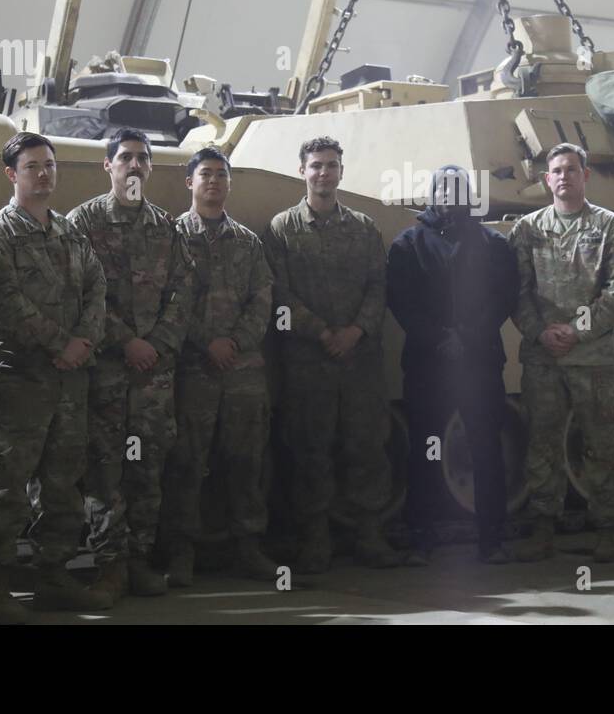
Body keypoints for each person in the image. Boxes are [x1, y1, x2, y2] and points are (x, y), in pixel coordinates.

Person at [0, 132, 110, 623]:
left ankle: (53, 577)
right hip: (16, 379)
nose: (44, 174)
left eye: (49, 165)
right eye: (32, 166)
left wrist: (84, 343)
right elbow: (4, 303)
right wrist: (60, 345)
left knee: (62, 486)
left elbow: (97, 288)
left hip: (69, 383)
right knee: (1, 488)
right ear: (12, 174)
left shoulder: (70, 231)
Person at [262, 137, 400, 572]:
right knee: (310, 451)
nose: (324, 173)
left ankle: (369, 534)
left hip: (359, 361)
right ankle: (314, 537)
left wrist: (355, 331)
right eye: (316, 166)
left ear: (342, 171)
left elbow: (379, 286)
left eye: (332, 165)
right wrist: (322, 331)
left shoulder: (363, 227)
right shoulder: (281, 229)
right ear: (302, 171)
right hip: (309, 362)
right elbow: (278, 294)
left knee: (367, 448)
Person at [68, 128, 192, 600]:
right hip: (107, 373)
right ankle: (109, 566)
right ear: (108, 165)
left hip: (154, 378)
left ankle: (140, 560)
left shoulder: (166, 227)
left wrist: (155, 343)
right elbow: (81, 295)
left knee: (147, 471)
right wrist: (127, 343)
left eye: (142, 158)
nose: (134, 164)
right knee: (105, 471)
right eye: (125, 157)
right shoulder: (82, 224)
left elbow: (183, 294)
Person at [508, 143, 614, 562]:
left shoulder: (610, 226)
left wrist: (575, 330)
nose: (563, 176)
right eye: (556, 171)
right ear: (547, 180)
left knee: (602, 445)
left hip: (594, 357)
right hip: (543, 356)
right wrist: (540, 331)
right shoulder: (526, 229)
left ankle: (609, 528)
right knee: (541, 443)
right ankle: (544, 526)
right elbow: (517, 292)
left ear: (585, 175)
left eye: (571, 169)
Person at [159, 147, 279, 585]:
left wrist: (235, 342)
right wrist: (206, 341)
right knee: (187, 464)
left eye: (221, 175)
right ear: (189, 182)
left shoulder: (247, 242)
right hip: (192, 370)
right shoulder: (170, 237)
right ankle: (181, 552)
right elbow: (165, 301)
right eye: (205, 174)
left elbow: (262, 299)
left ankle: (249, 547)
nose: (214, 181)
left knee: (246, 462)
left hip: (243, 372)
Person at [386, 165, 516, 565]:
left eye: (458, 188)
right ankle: (422, 538)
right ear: (433, 193)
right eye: (443, 188)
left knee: (486, 451)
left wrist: (467, 336)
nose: (450, 195)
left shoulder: (494, 244)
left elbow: (504, 298)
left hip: (479, 363)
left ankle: (491, 540)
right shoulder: (408, 244)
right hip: (429, 364)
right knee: (425, 450)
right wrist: (439, 337)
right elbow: (400, 300)